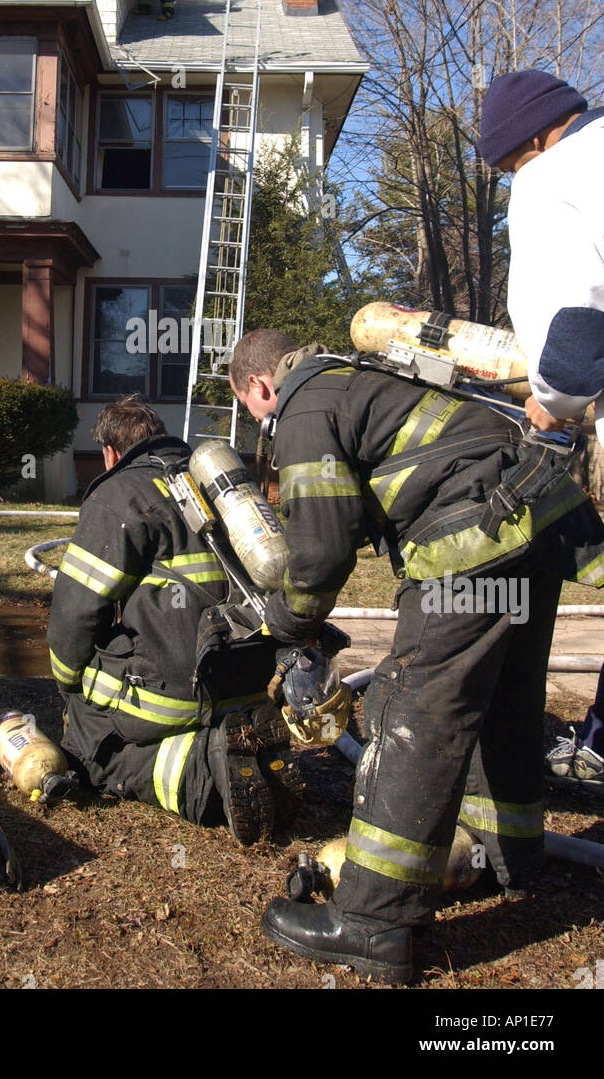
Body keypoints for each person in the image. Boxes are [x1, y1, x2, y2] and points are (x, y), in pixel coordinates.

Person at [228, 328, 604, 982]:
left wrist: (286, 626)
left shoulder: (305, 403)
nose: (265, 425)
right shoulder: (363, 375)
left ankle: (371, 924)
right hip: (533, 519)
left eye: (256, 411)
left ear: (259, 385)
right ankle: (506, 854)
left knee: (413, 715)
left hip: (471, 542)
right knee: (502, 700)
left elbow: (320, 551)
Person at [46, 395, 296, 842]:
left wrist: (69, 685)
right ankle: (253, 752)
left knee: (90, 748)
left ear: (109, 452)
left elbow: (77, 612)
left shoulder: (118, 495)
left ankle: (202, 771)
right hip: (251, 677)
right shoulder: (220, 486)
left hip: (184, 691)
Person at [479, 68, 604, 792]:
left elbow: (577, 315)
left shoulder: (553, 174)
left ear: (531, 137)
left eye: (505, 166)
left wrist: (551, 399)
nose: (507, 182)